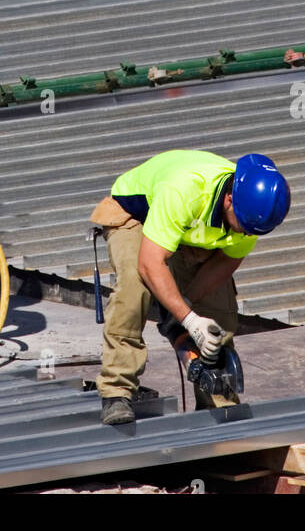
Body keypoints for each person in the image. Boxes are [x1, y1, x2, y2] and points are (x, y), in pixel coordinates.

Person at [91, 149, 291, 425]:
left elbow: (225, 262)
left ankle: (218, 400)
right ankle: (117, 391)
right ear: (229, 200)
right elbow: (150, 264)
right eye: (243, 226)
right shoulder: (186, 190)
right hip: (137, 214)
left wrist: (186, 311)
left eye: (252, 231)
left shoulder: (251, 216)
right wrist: (189, 319)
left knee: (217, 312)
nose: (245, 234)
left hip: (188, 228)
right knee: (134, 288)